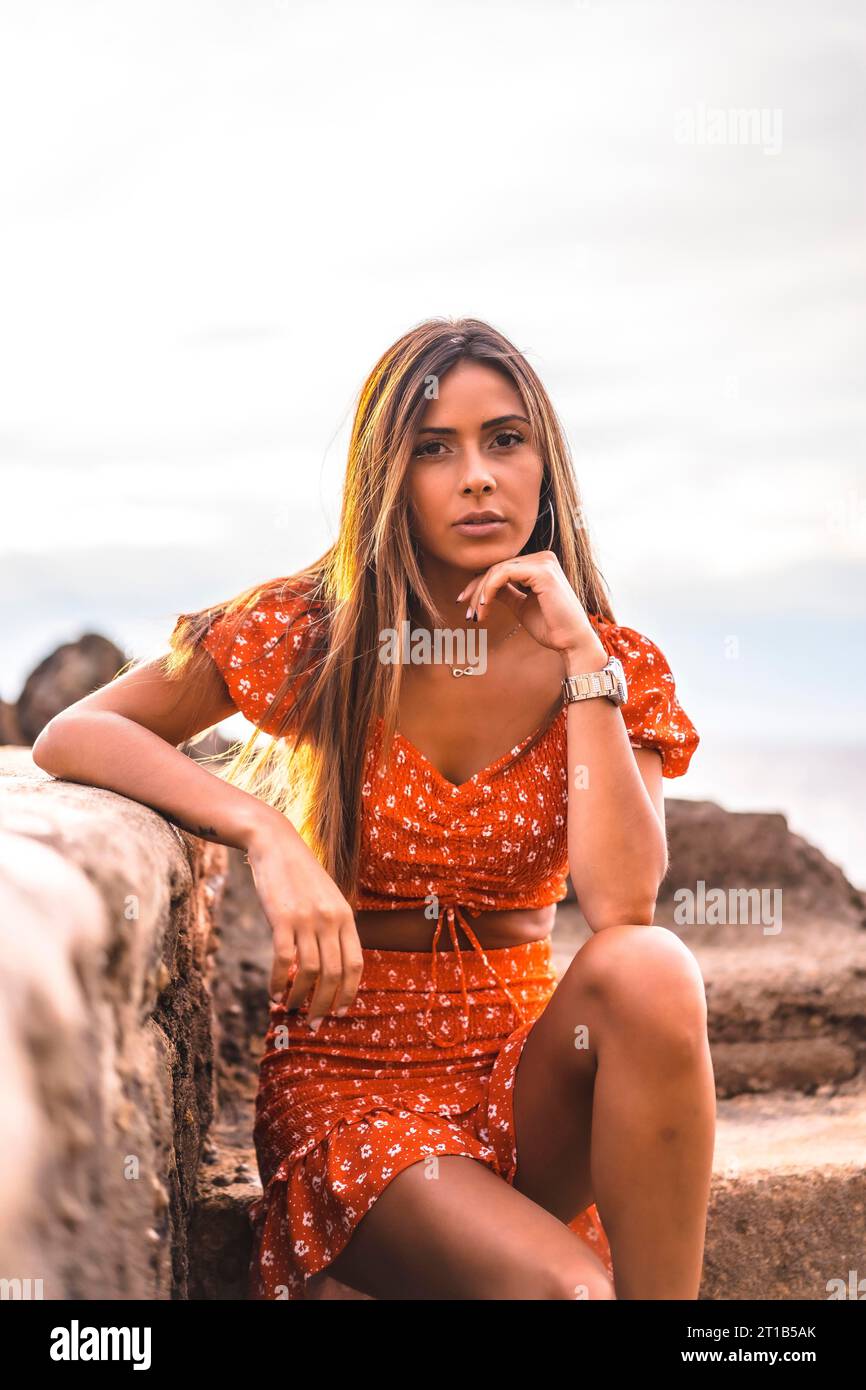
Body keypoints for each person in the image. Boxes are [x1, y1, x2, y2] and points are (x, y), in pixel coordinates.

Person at [32, 317, 713, 1301]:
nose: (476, 475)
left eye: (503, 439)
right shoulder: (320, 630)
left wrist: (581, 661)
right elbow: (76, 733)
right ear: (387, 476)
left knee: (649, 966)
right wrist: (267, 834)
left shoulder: (610, 665)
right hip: (352, 1083)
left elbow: (621, 907)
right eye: (434, 448)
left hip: (522, 1073)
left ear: (543, 461)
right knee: (565, 1293)